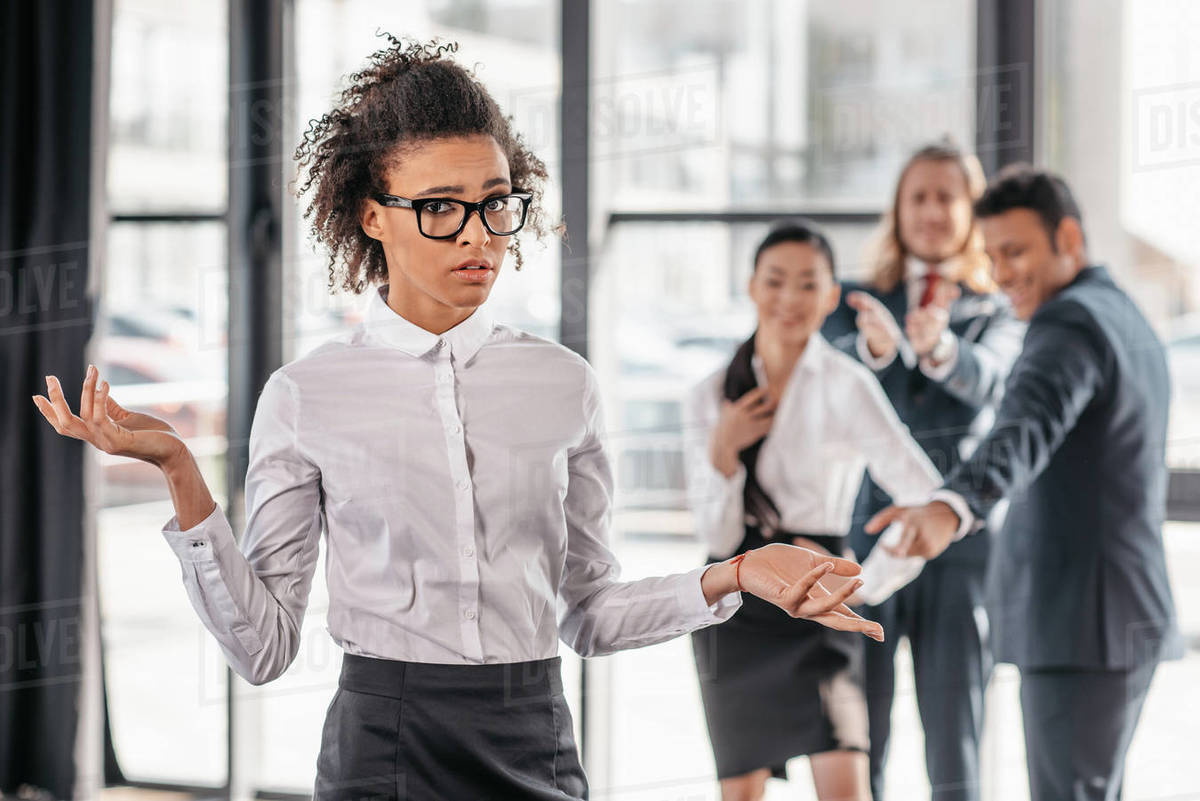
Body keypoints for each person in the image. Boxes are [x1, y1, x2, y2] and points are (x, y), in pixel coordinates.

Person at [31, 38, 883, 801]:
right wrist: (183, 472)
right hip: (383, 745)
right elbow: (264, 648)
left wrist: (732, 575)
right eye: (440, 206)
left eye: (496, 202)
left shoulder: (564, 385)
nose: (479, 234)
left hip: (535, 738)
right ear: (372, 215)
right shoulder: (305, 395)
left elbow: (587, 611)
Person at [866, 165, 1184, 801]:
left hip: (1081, 624)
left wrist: (948, 508)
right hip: (1115, 618)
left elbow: (1021, 432)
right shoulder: (1122, 312)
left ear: (1067, 237)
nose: (1004, 272)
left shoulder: (1067, 326)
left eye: (1016, 252)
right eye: (992, 256)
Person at [686, 220, 946, 801]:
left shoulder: (846, 384)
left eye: (808, 285)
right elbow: (716, 532)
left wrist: (867, 584)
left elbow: (926, 497)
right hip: (736, 609)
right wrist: (722, 453)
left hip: (820, 610)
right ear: (752, 286)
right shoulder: (709, 394)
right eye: (775, 281)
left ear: (830, 296)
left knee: (846, 786)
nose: (789, 299)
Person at [820, 140, 1025, 801]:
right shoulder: (854, 299)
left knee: (955, 747)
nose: (932, 211)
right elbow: (823, 378)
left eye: (947, 196)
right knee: (860, 744)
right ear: (898, 208)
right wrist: (877, 352)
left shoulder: (996, 306)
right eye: (919, 196)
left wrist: (937, 348)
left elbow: (991, 381)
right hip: (870, 540)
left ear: (970, 210)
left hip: (958, 551)